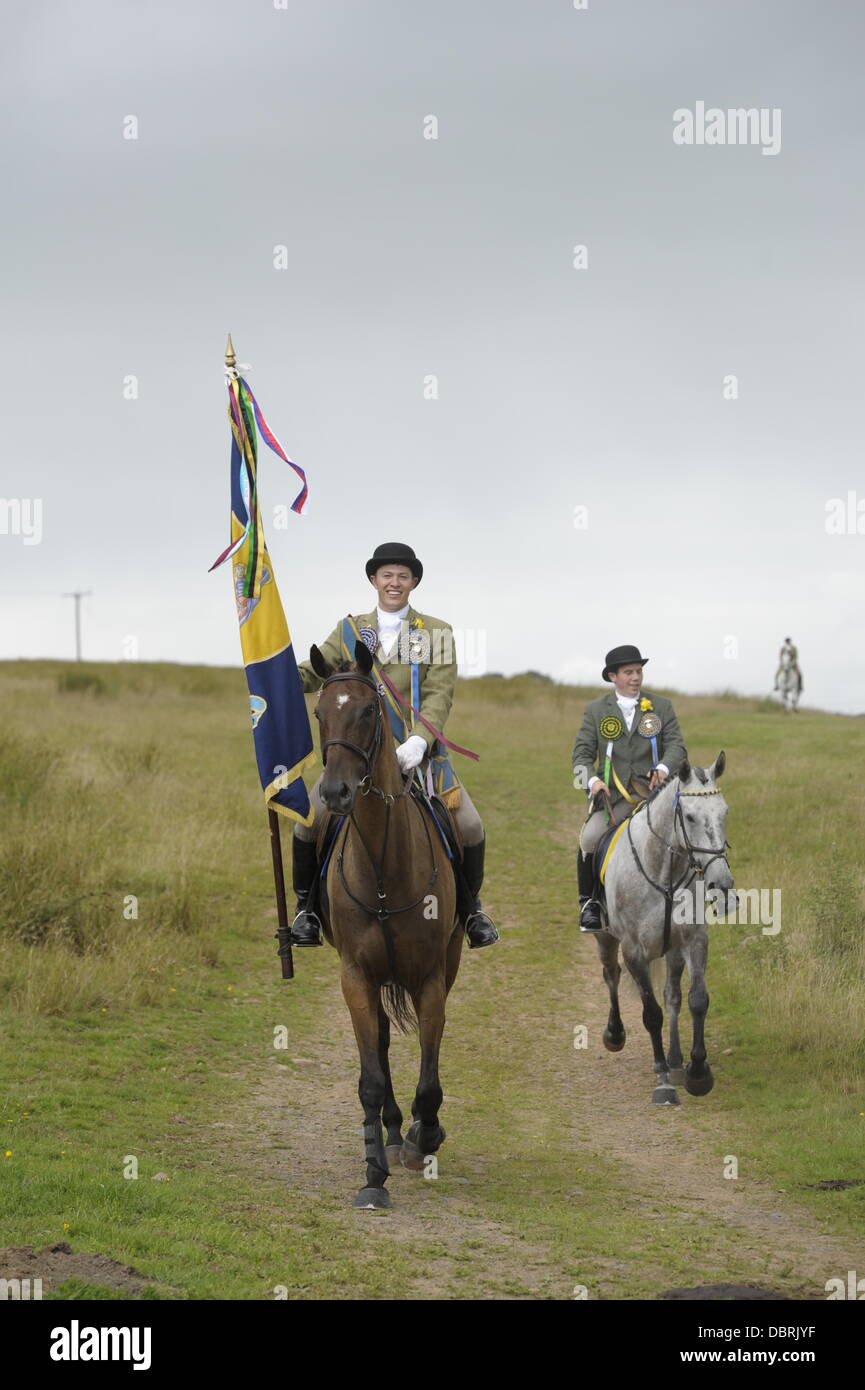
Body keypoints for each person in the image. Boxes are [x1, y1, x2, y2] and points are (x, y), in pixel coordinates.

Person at [289, 541, 499, 950]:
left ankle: (471, 912)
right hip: (358, 755)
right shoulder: (349, 629)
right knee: (308, 819)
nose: (394, 582)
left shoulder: (436, 632)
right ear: (374, 580)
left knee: (471, 825)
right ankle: (308, 911)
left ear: (413, 582)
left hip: (418, 756)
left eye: (403, 576)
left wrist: (420, 740)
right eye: (387, 575)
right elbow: (316, 674)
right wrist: (271, 678)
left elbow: (440, 693)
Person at [571, 644, 686, 931]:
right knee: (590, 838)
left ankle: (706, 895)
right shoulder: (596, 710)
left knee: (694, 830)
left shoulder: (660, 706)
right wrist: (594, 781)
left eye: (639, 671)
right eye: (629, 672)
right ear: (613, 676)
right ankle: (590, 903)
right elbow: (581, 756)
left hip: (657, 794)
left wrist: (662, 768)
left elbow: (676, 746)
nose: (636, 677)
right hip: (616, 797)